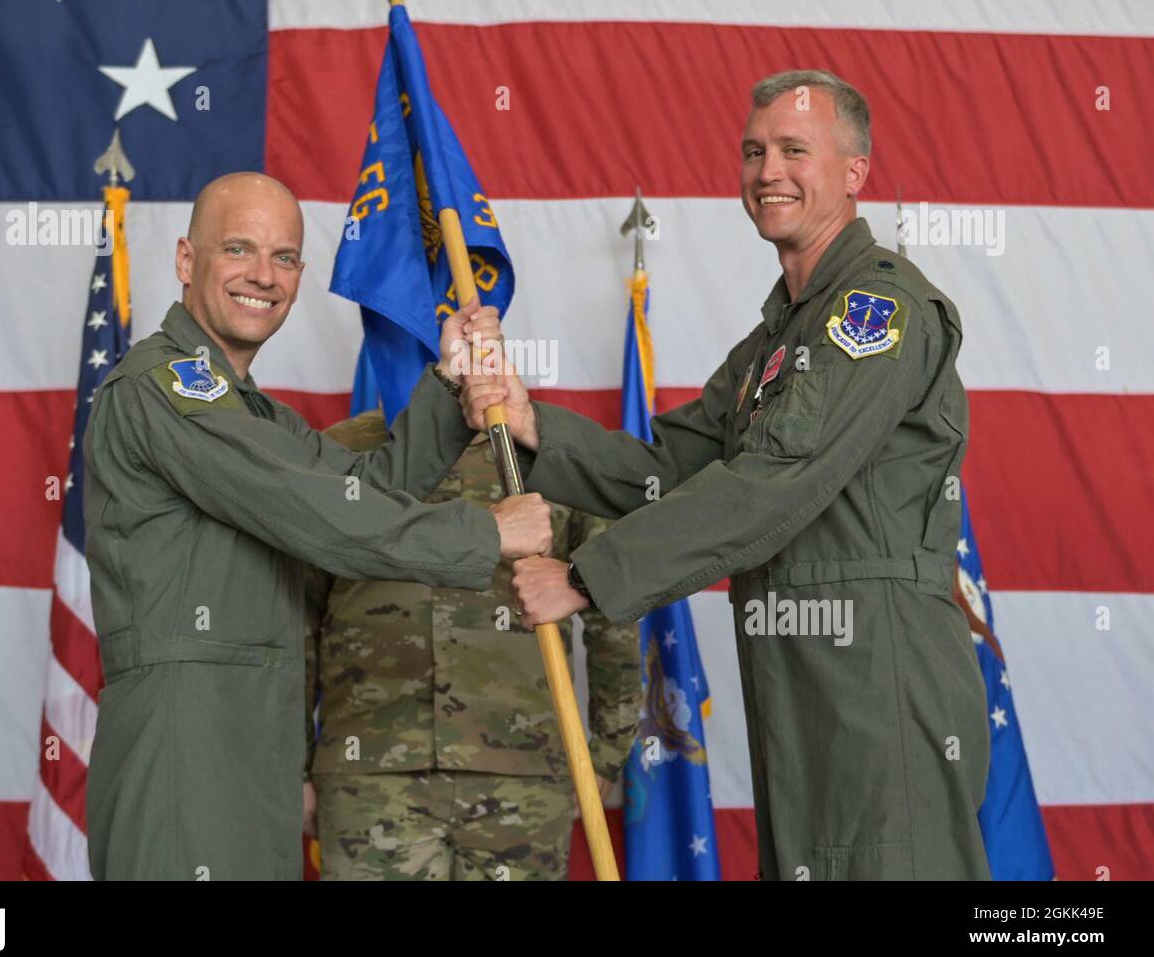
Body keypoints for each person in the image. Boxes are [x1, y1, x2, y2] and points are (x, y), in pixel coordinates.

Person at [466, 71, 992, 881]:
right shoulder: (773, 343)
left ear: (855, 172)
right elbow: (664, 469)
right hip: (798, 672)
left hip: (880, 668)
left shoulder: (877, 312)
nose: (767, 171)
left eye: (793, 150)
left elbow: (777, 479)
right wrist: (534, 423)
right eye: (754, 151)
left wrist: (587, 575)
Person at [83, 172, 551, 881]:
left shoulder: (252, 414)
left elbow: (363, 488)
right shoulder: (167, 387)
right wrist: (488, 534)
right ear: (186, 260)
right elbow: (326, 516)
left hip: (252, 746)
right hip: (185, 744)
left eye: (284, 257)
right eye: (238, 249)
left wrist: (450, 380)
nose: (262, 276)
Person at [302, 410, 642, 881]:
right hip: (371, 770)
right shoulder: (341, 450)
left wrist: (605, 754)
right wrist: (296, 767)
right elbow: (300, 618)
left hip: (522, 771)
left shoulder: (557, 451)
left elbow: (610, 607)